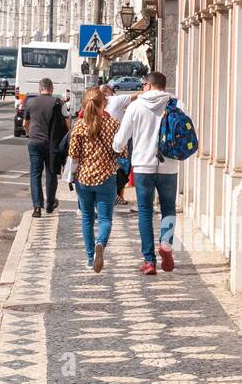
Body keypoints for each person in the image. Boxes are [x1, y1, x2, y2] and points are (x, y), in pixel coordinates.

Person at [113, 71, 181, 275]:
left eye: (143, 84)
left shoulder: (136, 106)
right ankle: (166, 244)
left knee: (145, 211)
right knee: (168, 208)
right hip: (169, 165)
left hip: (143, 165)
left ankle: (149, 261)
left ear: (149, 86)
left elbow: (121, 139)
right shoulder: (176, 104)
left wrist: (116, 148)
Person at [68, 87, 121, 272]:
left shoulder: (79, 126)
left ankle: (90, 258)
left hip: (83, 178)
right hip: (106, 177)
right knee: (105, 218)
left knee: (87, 219)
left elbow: (73, 154)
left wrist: (71, 175)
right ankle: (101, 244)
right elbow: (121, 151)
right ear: (103, 104)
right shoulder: (113, 124)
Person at [21, 77, 66, 218]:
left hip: (34, 143)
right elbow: (67, 122)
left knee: (35, 174)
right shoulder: (58, 102)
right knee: (51, 173)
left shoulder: (30, 102)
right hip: (52, 143)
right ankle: (50, 204)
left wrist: (29, 134)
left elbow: (24, 123)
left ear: (40, 89)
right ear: (52, 89)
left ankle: (37, 208)